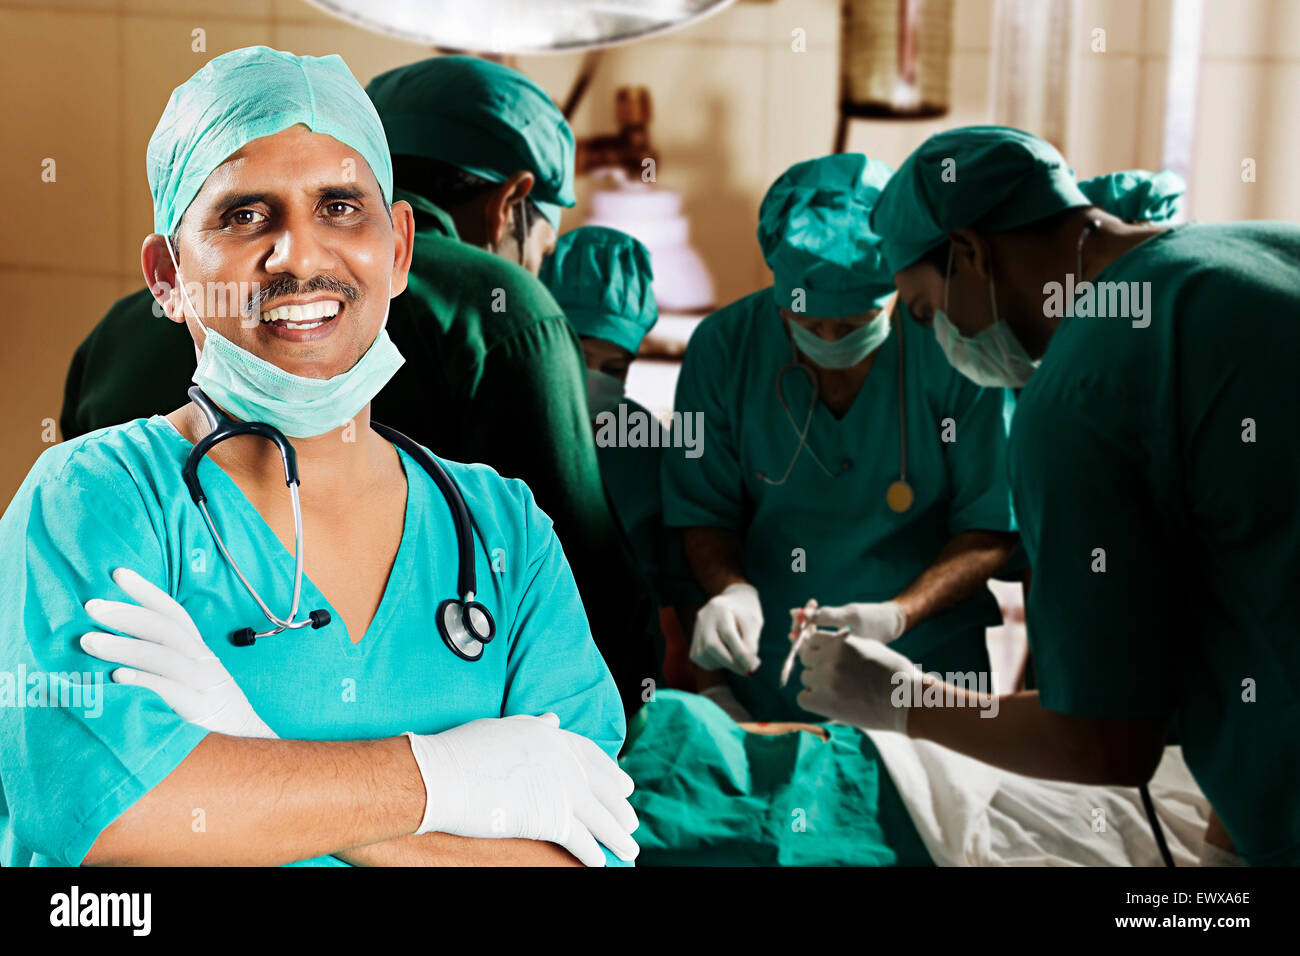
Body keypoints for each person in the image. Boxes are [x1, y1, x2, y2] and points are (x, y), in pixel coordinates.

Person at [0, 46, 638, 868]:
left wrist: (252, 758)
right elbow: (108, 822)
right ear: (166, 277)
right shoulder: (92, 500)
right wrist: (441, 779)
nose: (299, 256)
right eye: (243, 215)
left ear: (399, 249)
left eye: (340, 207)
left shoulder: (501, 532)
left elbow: (586, 851)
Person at [800, 124, 1300, 866]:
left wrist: (903, 701)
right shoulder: (1265, 249)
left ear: (969, 252)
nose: (942, 337)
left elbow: (1105, 743)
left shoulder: (1083, 386)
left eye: (927, 311)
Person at [662, 153, 1020, 722]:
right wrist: (731, 592)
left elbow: (991, 524)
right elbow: (703, 511)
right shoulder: (725, 348)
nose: (828, 340)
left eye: (854, 325)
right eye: (806, 323)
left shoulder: (955, 348)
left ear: (896, 289)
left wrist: (899, 615)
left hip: (928, 675)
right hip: (769, 668)